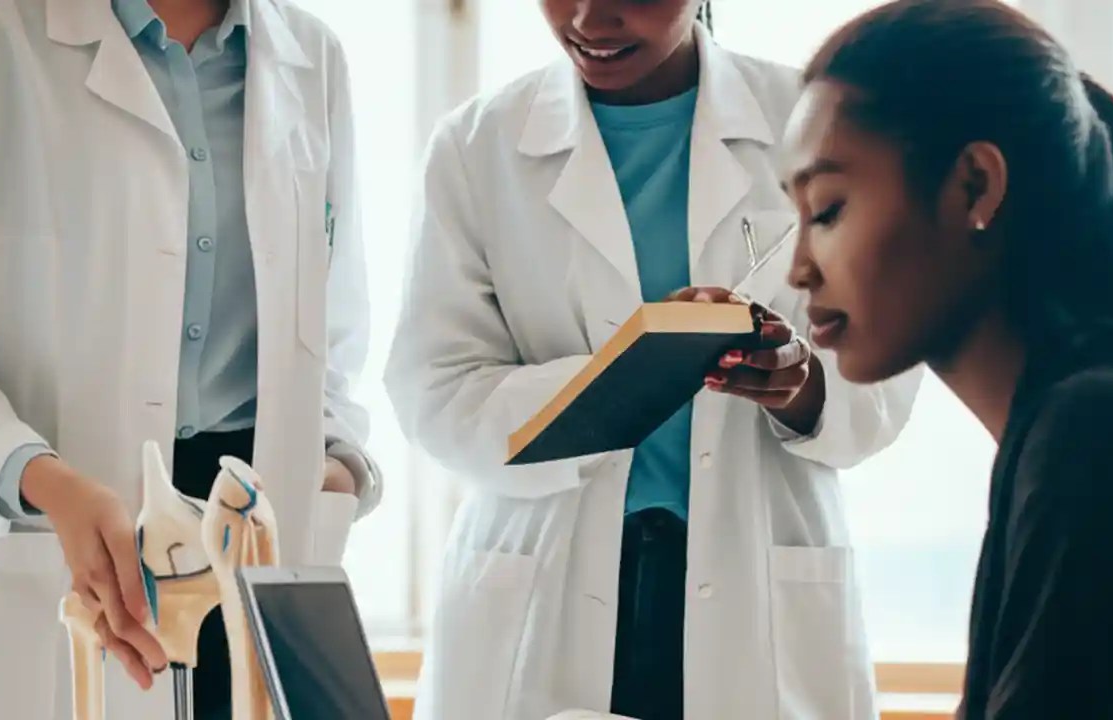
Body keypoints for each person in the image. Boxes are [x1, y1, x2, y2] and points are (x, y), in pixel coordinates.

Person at [384, 1, 921, 718]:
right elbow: (435, 391)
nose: (589, 18)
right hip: (545, 584)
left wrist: (801, 386)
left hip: (755, 580)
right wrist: (627, 371)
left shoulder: (810, 121)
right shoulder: (477, 146)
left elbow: (887, 366)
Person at [0, 0, 380, 717]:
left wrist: (333, 472)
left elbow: (333, 326)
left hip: (255, 534)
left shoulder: (312, 55)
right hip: (57, 516)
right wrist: (43, 482)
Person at [781, 1, 1113, 717]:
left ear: (975, 186)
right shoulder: (1083, 419)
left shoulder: (1099, 432)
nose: (800, 268)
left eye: (828, 210)